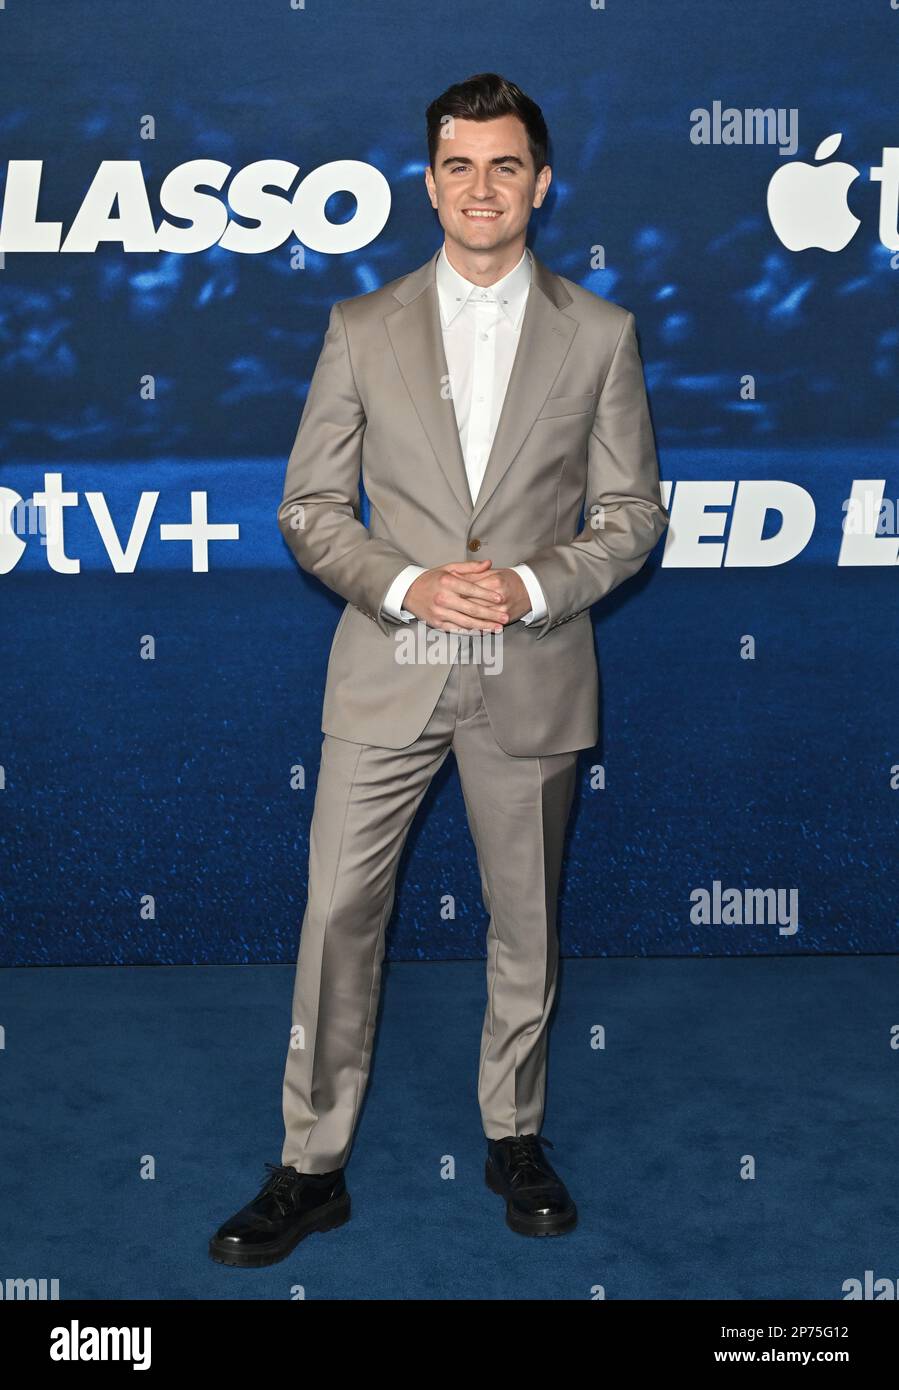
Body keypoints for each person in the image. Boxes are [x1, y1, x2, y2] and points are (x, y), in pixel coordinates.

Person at [209, 71, 668, 1268]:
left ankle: (513, 1133)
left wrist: (526, 585)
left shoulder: (602, 335)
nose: (481, 186)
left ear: (541, 183)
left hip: (529, 662)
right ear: (429, 183)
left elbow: (629, 516)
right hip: (390, 660)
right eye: (458, 165)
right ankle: (310, 1164)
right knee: (335, 913)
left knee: (525, 923)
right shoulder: (359, 329)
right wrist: (411, 585)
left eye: (504, 165)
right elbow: (310, 509)